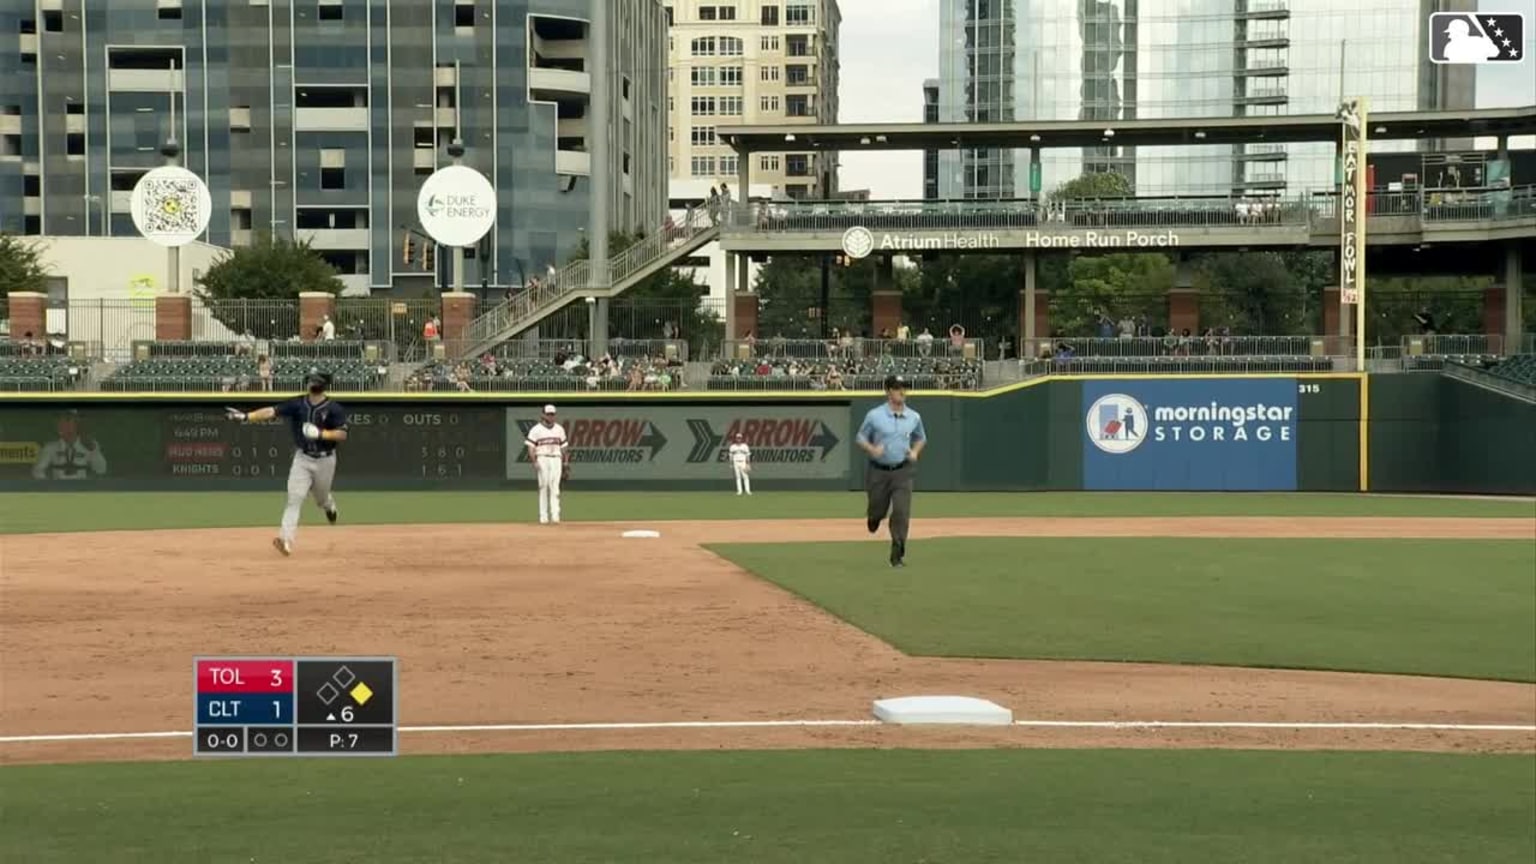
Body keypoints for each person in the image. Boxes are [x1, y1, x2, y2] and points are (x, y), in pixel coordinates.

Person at [225, 370, 348, 556]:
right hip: (303, 458)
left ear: (325, 384)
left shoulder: (334, 408)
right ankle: (285, 539)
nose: (313, 383)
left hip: (325, 459)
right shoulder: (298, 403)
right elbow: (271, 411)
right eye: (311, 380)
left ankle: (329, 505)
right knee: (294, 498)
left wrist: (322, 434)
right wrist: (245, 417)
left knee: (321, 499)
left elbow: (342, 434)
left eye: (317, 381)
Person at [857, 375, 926, 567]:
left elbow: (921, 438)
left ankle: (897, 553)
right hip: (878, 471)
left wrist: (914, 451)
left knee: (902, 512)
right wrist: (872, 449)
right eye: (897, 388)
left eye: (904, 387)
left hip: (902, 471)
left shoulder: (914, 416)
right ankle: (874, 517)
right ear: (888, 391)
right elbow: (860, 437)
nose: (902, 391)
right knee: (878, 508)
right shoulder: (874, 415)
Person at [525, 404, 570, 524]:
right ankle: (543, 517)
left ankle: (555, 516)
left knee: (555, 487)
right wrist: (534, 461)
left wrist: (566, 462)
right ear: (543, 415)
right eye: (549, 414)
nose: (551, 416)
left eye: (552, 414)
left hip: (556, 458)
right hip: (542, 458)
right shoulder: (536, 429)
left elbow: (564, 447)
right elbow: (530, 447)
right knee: (543, 486)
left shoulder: (559, 429)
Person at [31, 410, 107, 481]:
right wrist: (50, 487)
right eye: (60, 421)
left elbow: (101, 469)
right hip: (58, 492)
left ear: (77, 424)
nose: (62, 424)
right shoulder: (50, 448)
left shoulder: (89, 445)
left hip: (82, 491)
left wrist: (93, 450)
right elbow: (37, 471)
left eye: (68, 420)